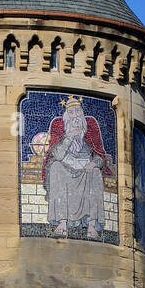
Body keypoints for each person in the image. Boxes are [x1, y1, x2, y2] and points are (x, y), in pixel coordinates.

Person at [43, 96, 110, 239]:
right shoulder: (58, 126)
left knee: (96, 173)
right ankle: (62, 223)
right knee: (55, 167)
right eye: (72, 112)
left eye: (78, 112)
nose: (76, 116)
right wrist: (69, 137)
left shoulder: (90, 128)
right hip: (65, 170)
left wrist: (93, 163)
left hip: (85, 171)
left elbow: (99, 155)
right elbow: (57, 155)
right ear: (66, 116)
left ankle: (91, 225)